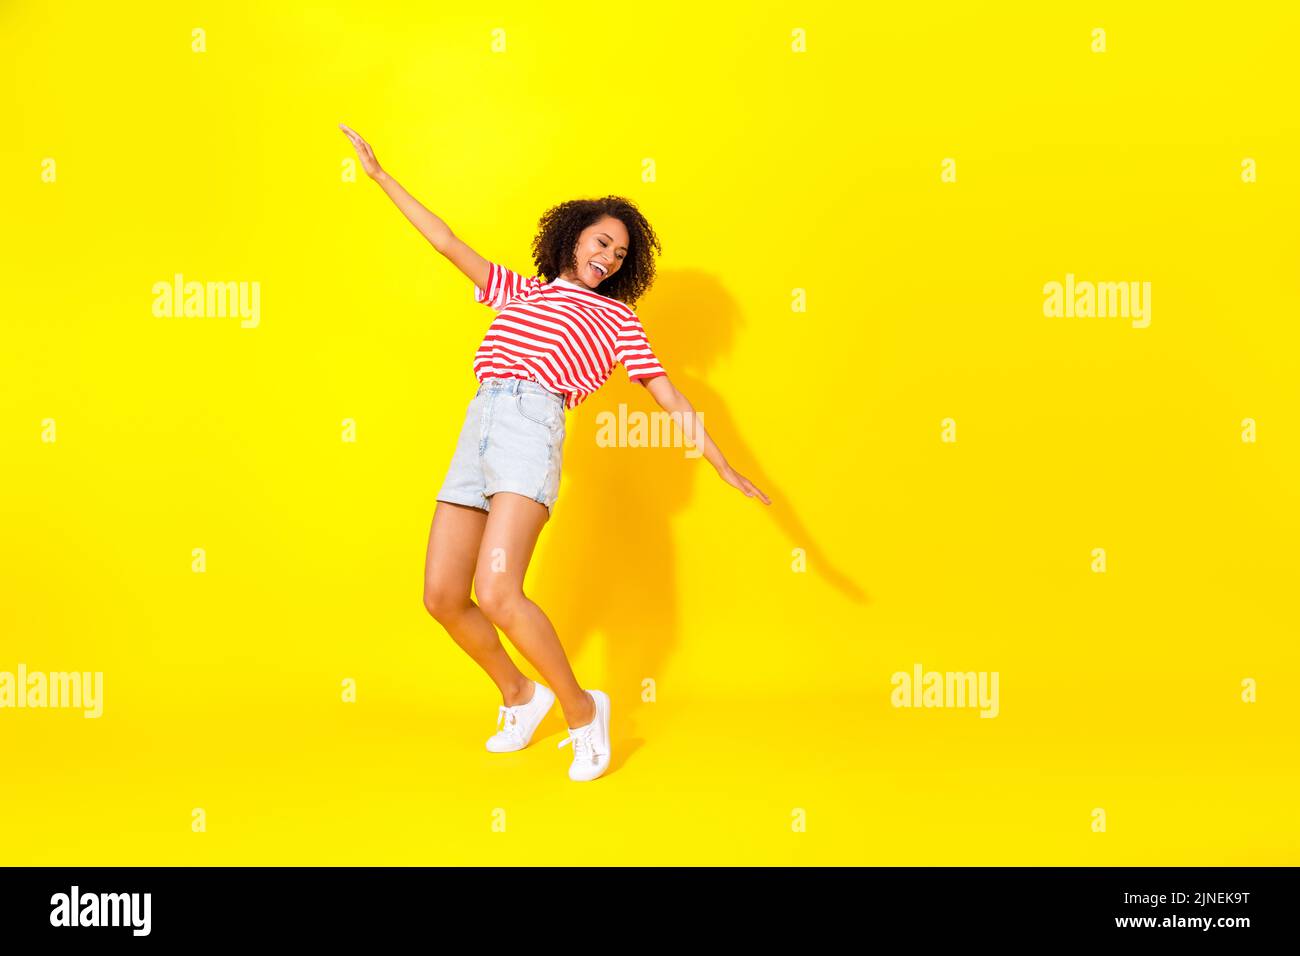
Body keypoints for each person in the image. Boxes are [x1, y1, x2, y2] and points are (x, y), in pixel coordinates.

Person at [339, 123, 770, 780]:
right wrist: (379, 176)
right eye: (603, 242)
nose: (610, 257)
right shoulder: (523, 291)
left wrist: (720, 461)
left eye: (622, 254)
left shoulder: (619, 321)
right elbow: (446, 240)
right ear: (572, 237)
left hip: (530, 430)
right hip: (479, 424)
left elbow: (669, 396)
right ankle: (521, 696)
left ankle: (579, 710)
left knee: (499, 590)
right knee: (444, 595)